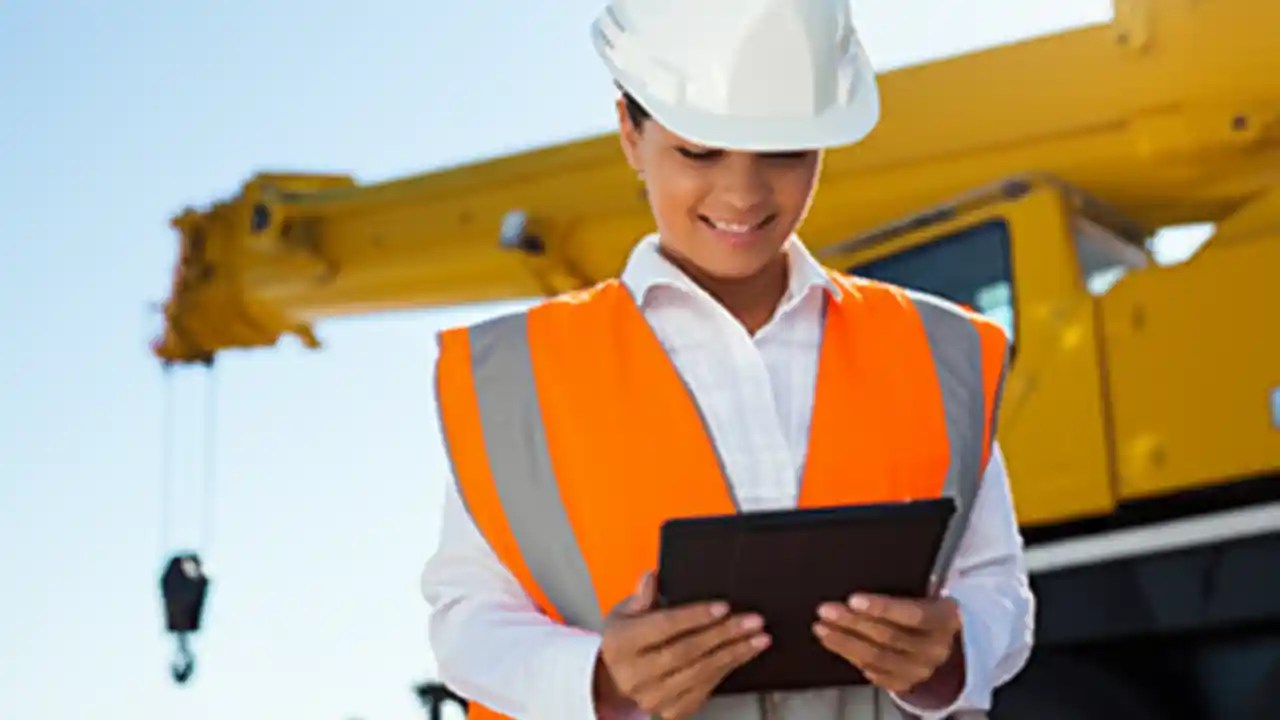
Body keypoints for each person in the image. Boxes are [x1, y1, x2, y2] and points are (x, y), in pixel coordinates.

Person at [420, 1, 1034, 718]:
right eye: (699, 152)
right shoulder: (515, 376)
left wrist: (947, 659)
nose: (743, 195)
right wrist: (598, 680)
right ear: (630, 131)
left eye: (783, 152)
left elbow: (997, 588)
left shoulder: (938, 351)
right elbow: (465, 623)